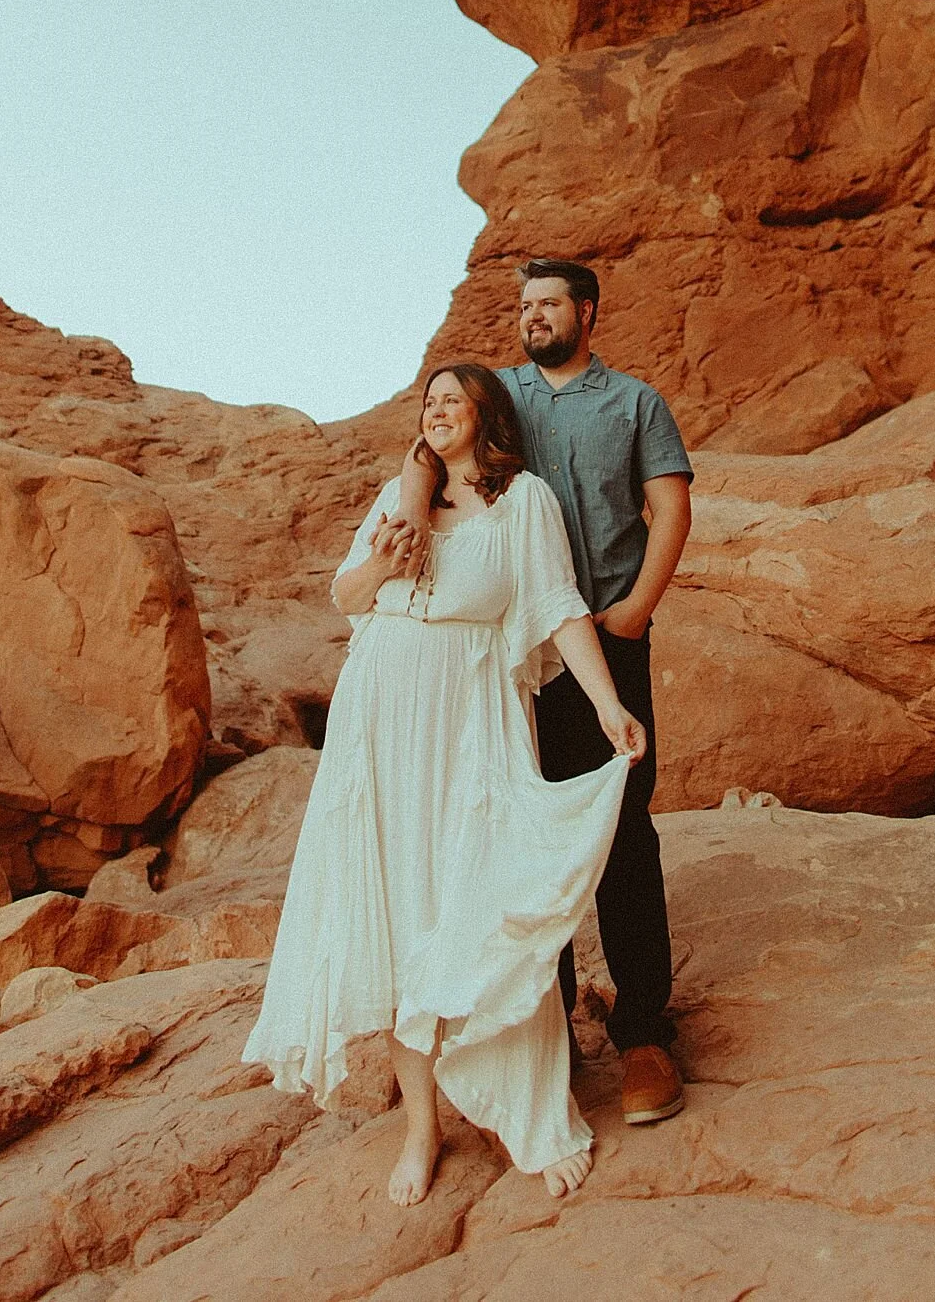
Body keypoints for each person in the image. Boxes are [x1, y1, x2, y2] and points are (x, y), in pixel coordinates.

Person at [243, 361, 647, 1206]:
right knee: (396, 911)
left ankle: (535, 1110)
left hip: (469, 717)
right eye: (428, 402)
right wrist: (386, 564)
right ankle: (421, 1127)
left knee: (479, 897)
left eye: (452, 401)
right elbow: (345, 595)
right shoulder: (401, 497)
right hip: (380, 716)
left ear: (485, 417)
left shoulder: (522, 501)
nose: (436, 413)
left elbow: (558, 607)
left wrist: (607, 702)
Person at [382, 258, 692, 1126]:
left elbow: (669, 508)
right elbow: (425, 452)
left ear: (585, 313)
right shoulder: (499, 397)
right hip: (507, 660)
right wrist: (410, 511)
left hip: (600, 643)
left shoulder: (633, 404)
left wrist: (632, 612)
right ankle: (540, 1038)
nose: (533, 318)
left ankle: (642, 1036)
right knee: (516, 837)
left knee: (621, 835)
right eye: (523, 307)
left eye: (549, 305)